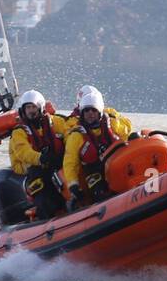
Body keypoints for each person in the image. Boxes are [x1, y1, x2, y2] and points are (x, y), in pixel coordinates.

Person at [62, 89, 134, 209]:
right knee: (100, 192)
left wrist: (115, 119)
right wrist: (73, 184)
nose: (90, 113)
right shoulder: (76, 135)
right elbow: (70, 162)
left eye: (94, 110)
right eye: (87, 111)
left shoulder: (111, 125)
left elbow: (126, 132)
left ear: (99, 112)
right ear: (82, 113)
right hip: (93, 172)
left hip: (116, 165)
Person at [8, 89, 72, 220]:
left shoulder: (56, 122)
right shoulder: (19, 132)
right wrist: (41, 158)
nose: (31, 111)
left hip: (57, 166)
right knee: (45, 202)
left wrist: (69, 153)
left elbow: (70, 136)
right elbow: (23, 152)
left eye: (34, 107)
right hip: (35, 172)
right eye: (28, 108)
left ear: (41, 108)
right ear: (23, 110)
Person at [66, 84, 134, 136]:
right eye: (87, 109)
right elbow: (66, 135)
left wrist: (113, 123)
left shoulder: (110, 113)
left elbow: (128, 126)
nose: (90, 112)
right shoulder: (73, 120)